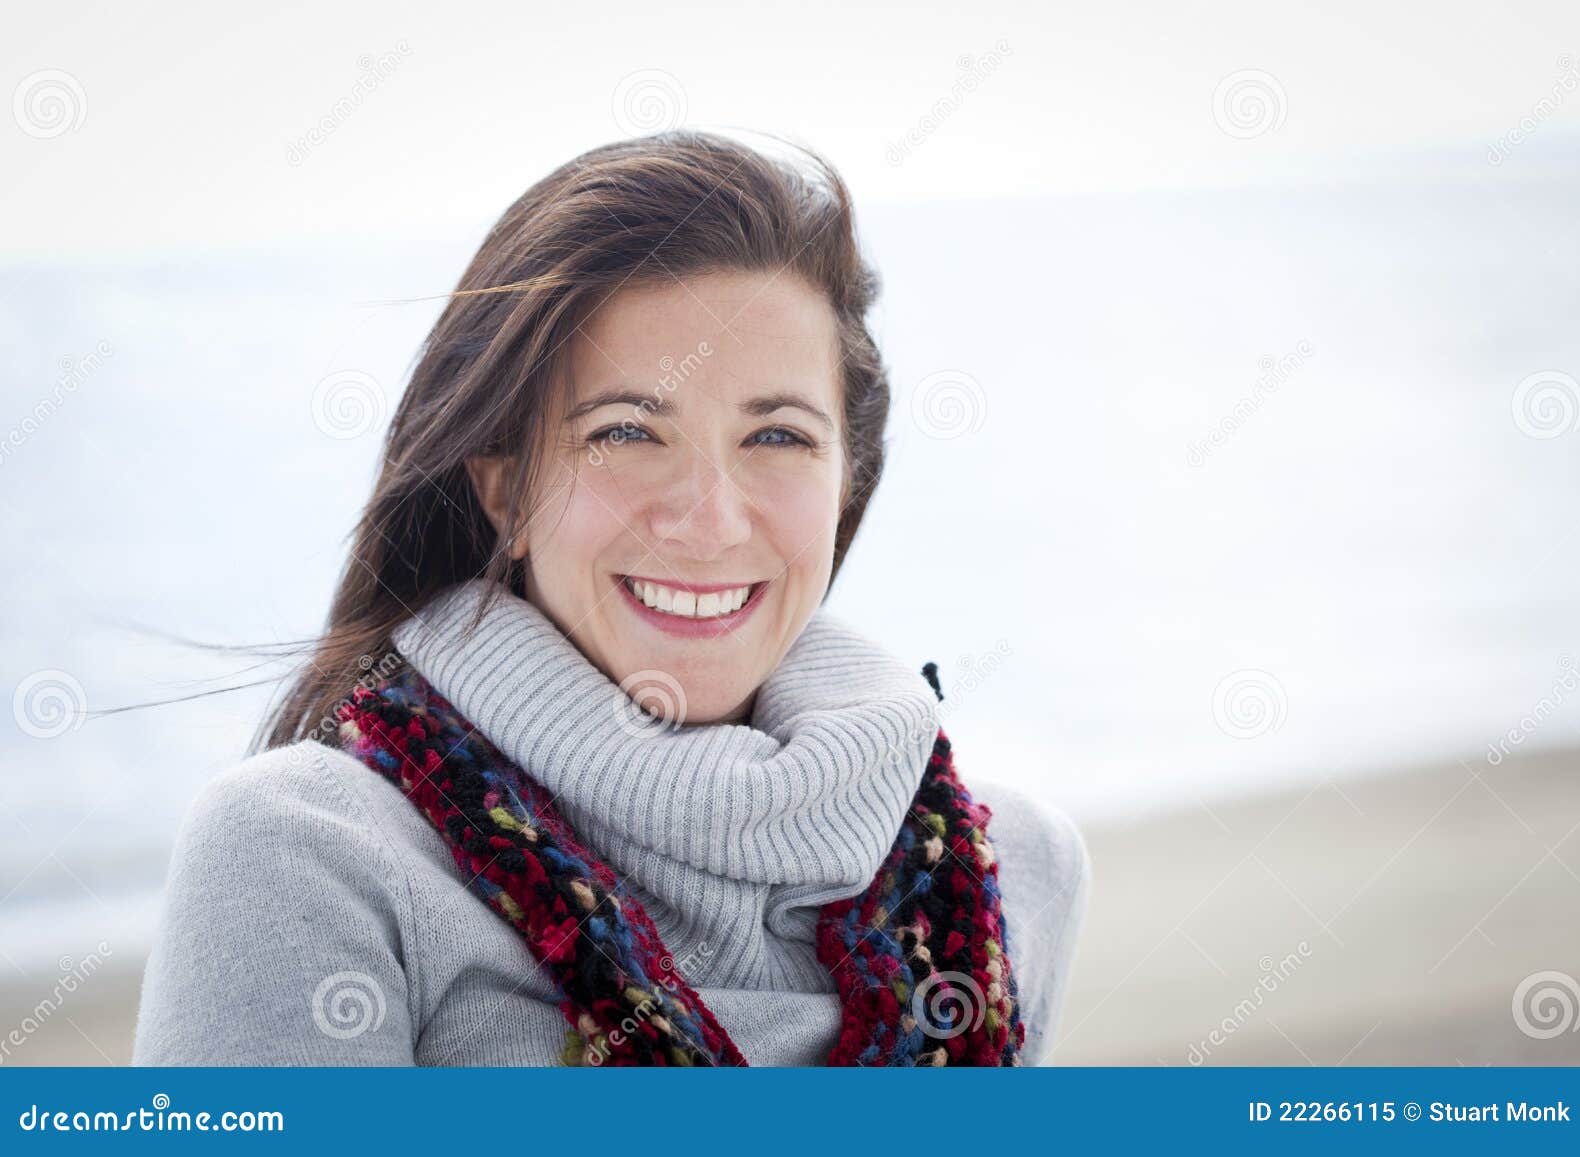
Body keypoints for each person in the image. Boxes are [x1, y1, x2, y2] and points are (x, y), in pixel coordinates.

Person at [132, 130, 1090, 1066]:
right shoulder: (311, 855)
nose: (709, 520)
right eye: (628, 431)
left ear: (849, 479)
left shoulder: (1008, 870)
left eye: (779, 437)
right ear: (502, 483)